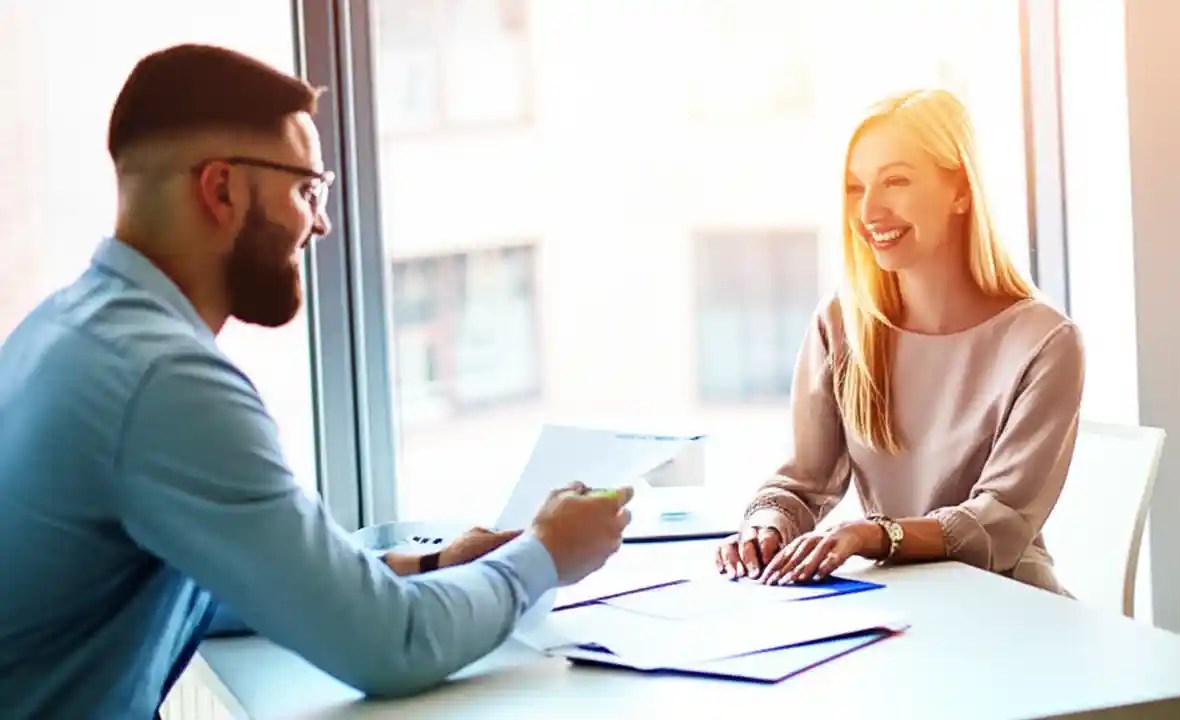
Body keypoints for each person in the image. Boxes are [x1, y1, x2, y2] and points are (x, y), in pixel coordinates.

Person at [0, 44, 632, 718]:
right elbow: (393, 644)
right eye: (307, 190)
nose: (321, 222)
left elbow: (221, 579)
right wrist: (546, 554)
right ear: (221, 189)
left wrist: (430, 564)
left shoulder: (60, 330)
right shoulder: (165, 381)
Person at [714, 88, 1085, 594]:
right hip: (899, 600)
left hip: (1008, 602)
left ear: (960, 192)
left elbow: (1000, 523)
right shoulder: (841, 323)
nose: (869, 210)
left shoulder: (1046, 341)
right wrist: (767, 524)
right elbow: (803, 482)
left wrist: (873, 535)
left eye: (895, 181)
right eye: (855, 187)